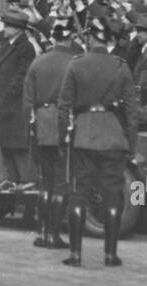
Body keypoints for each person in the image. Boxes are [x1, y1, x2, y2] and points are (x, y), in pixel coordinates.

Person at [57, 15, 140, 266]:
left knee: (78, 194)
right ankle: (110, 254)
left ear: (90, 38)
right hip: (114, 138)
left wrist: (64, 139)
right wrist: (131, 145)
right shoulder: (120, 66)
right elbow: (132, 113)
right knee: (113, 195)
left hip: (83, 136)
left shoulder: (76, 64)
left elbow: (64, 107)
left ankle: (75, 254)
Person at [22, 19, 83, 249]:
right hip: (64, 122)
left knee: (44, 181)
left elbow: (27, 100)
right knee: (61, 181)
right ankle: (54, 235)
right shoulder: (75, 62)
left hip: (41, 122)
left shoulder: (38, 62)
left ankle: (42, 233)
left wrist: (32, 124)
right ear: (69, 38)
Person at [0, 7, 41, 198]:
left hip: (15, 104)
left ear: (16, 29)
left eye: (6, 25)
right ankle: (11, 178)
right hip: (3, 103)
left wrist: (5, 94)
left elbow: (22, 76)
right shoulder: (6, 44)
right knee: (6, 143)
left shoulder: (25, 47)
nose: (2, 28)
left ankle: (26, 179)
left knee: (18, 145)